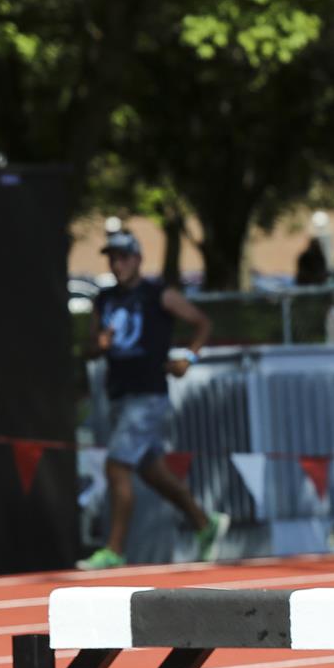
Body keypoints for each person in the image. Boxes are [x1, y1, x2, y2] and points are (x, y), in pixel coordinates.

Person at [78, 229, 229, 569]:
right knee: (152, 473)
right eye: (112, 258)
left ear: (137, 259)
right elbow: (90, 349)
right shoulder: (103, 300)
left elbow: (202, 323)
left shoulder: (158, 294)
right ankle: (206, 523)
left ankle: (115, 550)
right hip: (119, 394)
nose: (117, 264)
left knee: (116, 466)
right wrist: (97, 345)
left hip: (148, 395)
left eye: (123, 257)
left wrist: (187, 359)